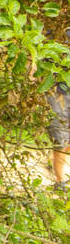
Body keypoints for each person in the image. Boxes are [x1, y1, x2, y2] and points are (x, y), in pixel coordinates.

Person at [44, 28, 70, 189]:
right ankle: (59, 181)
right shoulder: (56, 31)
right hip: (56, 91)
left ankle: (57, 170)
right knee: (60, 136)